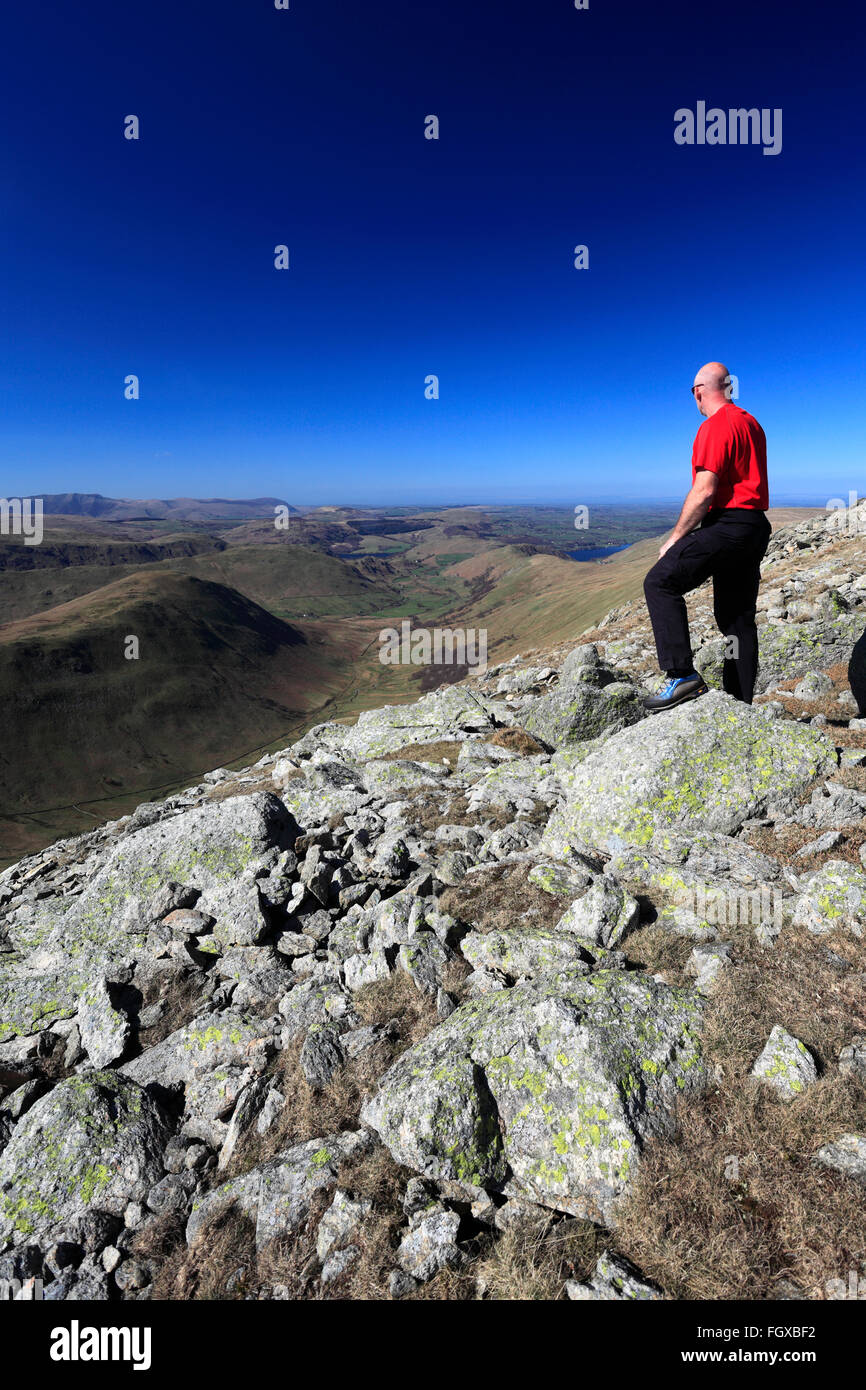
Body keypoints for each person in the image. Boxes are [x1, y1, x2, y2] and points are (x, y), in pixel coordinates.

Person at [642, 362, 771, 711]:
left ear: (699, 391)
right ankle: (739, 703)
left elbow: (704, 490)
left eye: (693, 392)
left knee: (660, 582)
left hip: (728, 525)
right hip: (755, 527)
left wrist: (675, 538)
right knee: (737, 618)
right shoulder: (750, 422)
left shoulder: (714, 426)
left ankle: (681, 673)